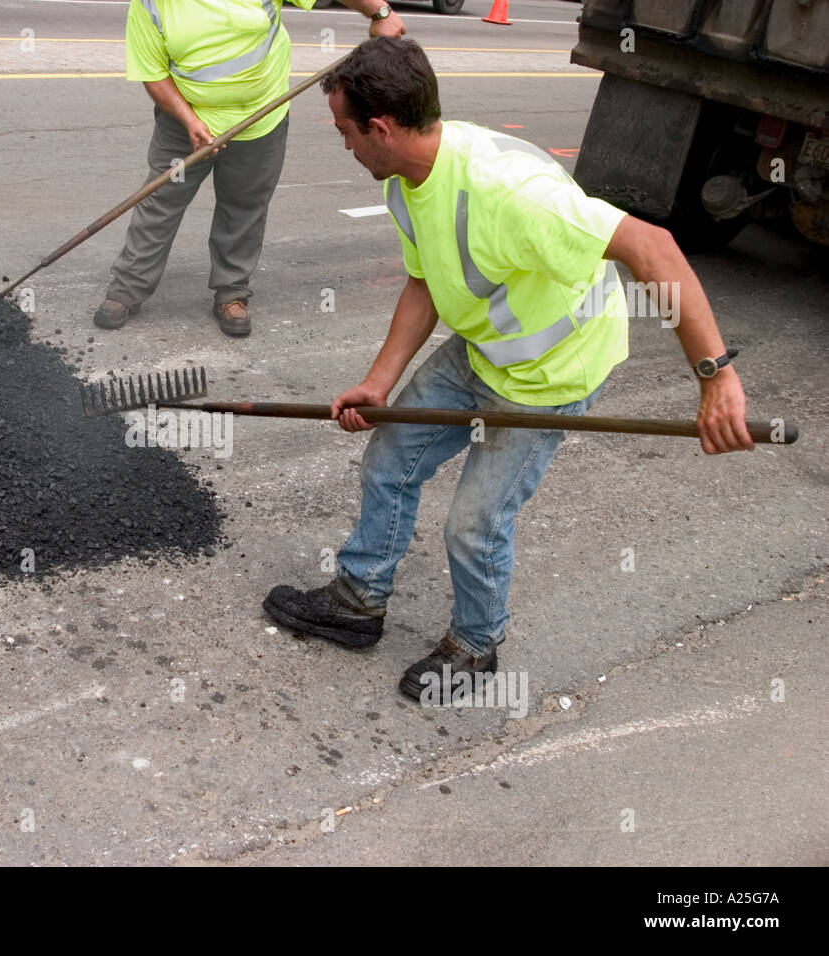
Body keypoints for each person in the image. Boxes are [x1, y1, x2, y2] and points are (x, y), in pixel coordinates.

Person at [262, 37, 754, 701]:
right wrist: (379, 382)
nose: (346, 146)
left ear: (380, 128)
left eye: (347, 132)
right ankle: (358, 599)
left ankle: (475, 646)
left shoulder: (509, 193)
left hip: (549, 377)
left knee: (474, 523)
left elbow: (653, 247)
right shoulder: (411, 182)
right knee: (390, 459)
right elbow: (426, 281)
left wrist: (716, 376)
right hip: (480, 350)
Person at [95, 0, 405, 338]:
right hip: (183, 124)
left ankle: (231, 293)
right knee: (159, 202)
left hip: (260, 120)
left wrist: (380, 12)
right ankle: (127, 288)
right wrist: (189, 121)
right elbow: (152, 72)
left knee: (243, 207)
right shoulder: (152, 4)